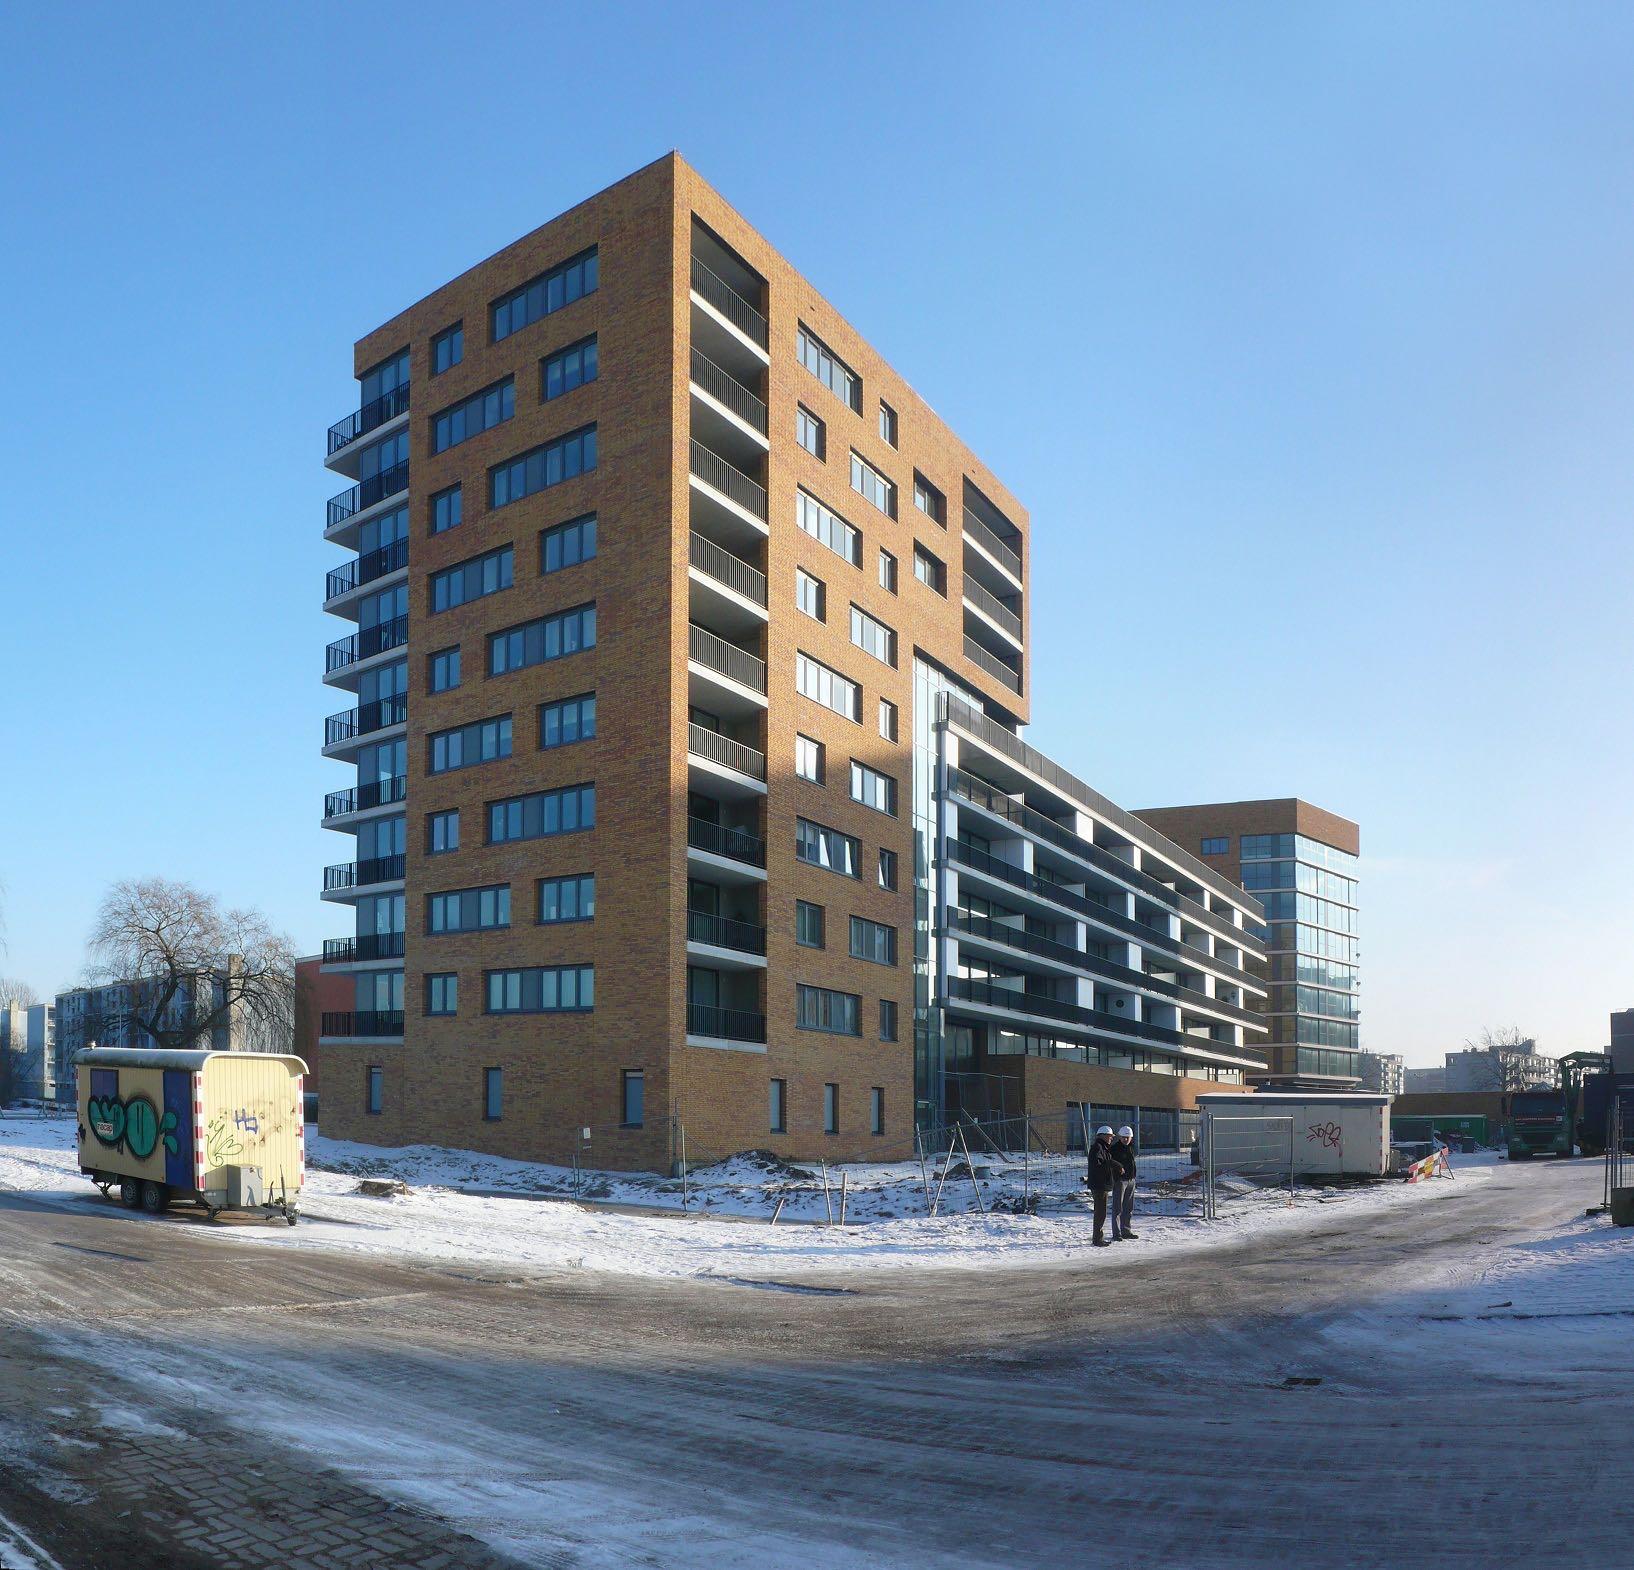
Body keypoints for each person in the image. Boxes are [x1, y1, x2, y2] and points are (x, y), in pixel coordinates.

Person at [1087, 1124, 1118, 1246]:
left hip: (1101, 1184)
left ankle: (1098, 1237)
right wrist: (1113, 1165)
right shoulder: (1098, 1148)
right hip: (1099, 1185)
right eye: (1110, 1136)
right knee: (1100, 1213)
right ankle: (1097, 1239)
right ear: (1103, 1136)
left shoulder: (1103, 1148)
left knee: (1101, 1212)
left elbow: (1105, 1163)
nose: (1111, 1138)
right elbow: (1099, 1165)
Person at [1111, 1124, 1138, 1240]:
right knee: (1118, 1207)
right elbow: (1110, 1163)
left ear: (1131, 1138)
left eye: (1128, 1137)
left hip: (1131, 1180)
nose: (1125, 1139)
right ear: (1119, 1137)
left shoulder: (1131, 1147)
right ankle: (1116, 1233)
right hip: (1120, 1181)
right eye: (1123, 1137)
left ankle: (1126, 1230)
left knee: (1128, 1207)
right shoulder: (1114, 1149)